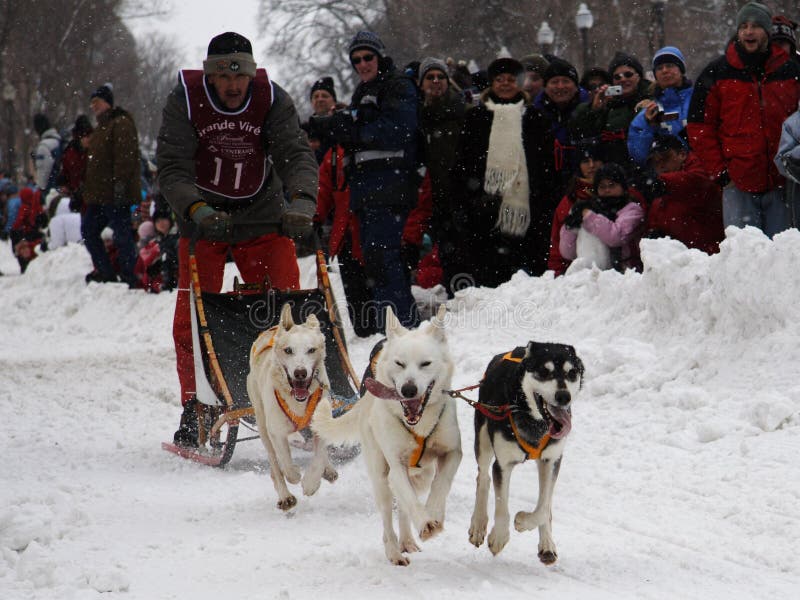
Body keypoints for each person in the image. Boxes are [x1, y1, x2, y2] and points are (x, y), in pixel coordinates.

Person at [156, 32, 317, 447]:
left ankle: (297, 399)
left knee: (286, 308)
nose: (232, 85)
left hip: (261, 212)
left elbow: (295, 153)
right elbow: (172, 167)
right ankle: (198, 404)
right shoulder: (186, 100)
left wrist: (300, 200)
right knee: (191, 319)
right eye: (223, 77)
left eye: (240, 76)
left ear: (252, 73)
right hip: (203, 216)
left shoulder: (271, 99)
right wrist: (197, 211)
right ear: (209, 76)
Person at [313, 31, 420, 329]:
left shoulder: (397, 84)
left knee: (385, 259)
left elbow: (399, 130)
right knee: (375, 259)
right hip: (366, 190)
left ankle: (402, 324)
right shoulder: (364, 89)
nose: (362, 63)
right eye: (356, 59)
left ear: (379, 56)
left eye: (367, 57)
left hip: (390, 186)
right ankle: (392, 325)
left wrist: (351, 126)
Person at [688, 1, 800, 238]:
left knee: (781, 257)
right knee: (744, 258)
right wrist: (720, 172)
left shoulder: (791, 71)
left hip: (782, 182)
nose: (749, 31)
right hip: (737, 184)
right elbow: (699, 128)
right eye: (744, 26)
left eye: (756, 26)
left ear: (768, 32)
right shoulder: (715, 73)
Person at [450, 56, 555, 287]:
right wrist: (470, 199)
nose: (505, 84)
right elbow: (463, 162)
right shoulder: (476, 118)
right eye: (499, 79)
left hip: (526, 210)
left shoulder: (535, 118)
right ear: (491, 84)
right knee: (490, 278)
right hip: (484, 210)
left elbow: (544, 163)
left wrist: (541, 198)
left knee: (528, 280)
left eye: (510, 79)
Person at [416, 56, 469, 296]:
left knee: (463, 250)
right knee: (444, 253)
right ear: (421, 83)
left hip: (461, 193)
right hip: (433, 196)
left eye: (440, 77)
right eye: (430, 77)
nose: (436, 81)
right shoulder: (418, 117)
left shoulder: (460, 111)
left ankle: (468, 296)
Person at [82, 83, 141, 286]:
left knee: (122, 234)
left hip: (114, 192)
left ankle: (130, 274)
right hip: (99, 194)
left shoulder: (120, 123)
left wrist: (120, 186)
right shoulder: (102, 127)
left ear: (107, 102)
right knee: (89, 231)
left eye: (96, 102)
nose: (93, 107)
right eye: (92, 103)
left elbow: (125, 157)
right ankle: (107, 272)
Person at [570, 52, 651, 172]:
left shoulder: (651, 98)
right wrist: (595, 109)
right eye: (617, 77)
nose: (623, 79)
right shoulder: (608, 105)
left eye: (628, 74)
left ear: (639, 76)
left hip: (645, 168)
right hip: (615, 174)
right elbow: (581, 133)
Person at [644, 134, 724, 254]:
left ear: (682, 154)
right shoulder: (663, 191)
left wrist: (665, 182)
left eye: (664, 159)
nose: (660, 166)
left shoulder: (701, 171)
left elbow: (699, 181)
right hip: (682, 260)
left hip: (710, 257)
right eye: (655, 163)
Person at [559, 162, 645, 273]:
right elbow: (568, 253)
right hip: (595, 273)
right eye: (602, 187)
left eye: (612, 185)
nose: (607, 190)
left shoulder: (632, 210)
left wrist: (588, 216)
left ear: (623, 187)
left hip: (627, 273)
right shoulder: (592, 209)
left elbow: (616, 237)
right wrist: (570, 226)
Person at [628, 46, 693, 167]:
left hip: (704, 172)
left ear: (681, 70)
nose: (664, 70)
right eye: (659, 68)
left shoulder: (699, 100)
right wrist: (649, 126)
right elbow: (638, 156)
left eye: (669, 65)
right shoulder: (648, 113)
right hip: (668, 178)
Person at [533, 57, 590, 195]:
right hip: (545, 185)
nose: (560, 86)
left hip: (581, 183)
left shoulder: (589, 110)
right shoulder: (534, 114)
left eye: (566, 81)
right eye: (554, 82)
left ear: (576, 86)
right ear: (546, 87)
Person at [548, 138, 604, 276]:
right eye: (585, 161)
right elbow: (557, 244)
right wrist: (557, 273)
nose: (591, 165)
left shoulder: (622, 193)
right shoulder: (569, 201)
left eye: (596, 160)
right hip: (580, 274)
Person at [59, 115, 93, 211]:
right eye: (85, 136)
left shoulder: (95, 150)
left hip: (92, 198)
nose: (88, 139)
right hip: (78, 198)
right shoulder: (70, 153)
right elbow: (65, 173)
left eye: (89, 136)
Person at [32, 113, 63, 196]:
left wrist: (41, 190)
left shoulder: (44, 146)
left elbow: (43, 170)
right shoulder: (58, 141)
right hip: (60, 187)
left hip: (50, 190)